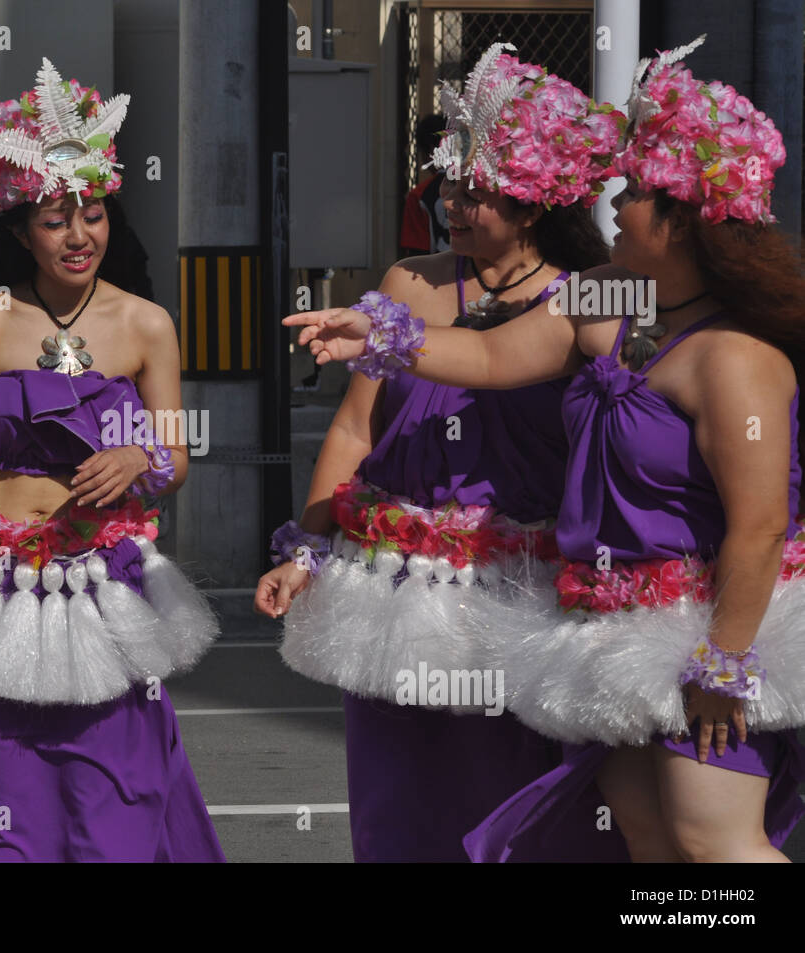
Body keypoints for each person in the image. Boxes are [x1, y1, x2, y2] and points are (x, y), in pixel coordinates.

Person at [287, 37, 805, 862]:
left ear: (682, 222)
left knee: (715, 839)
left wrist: (724, 663)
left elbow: (760, 526)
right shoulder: (617, 302)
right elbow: (490, 356)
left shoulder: (735, 359)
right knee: (645, 831)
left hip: (712, 627)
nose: (616, 204)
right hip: (620, 628)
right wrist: (379, 329)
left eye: (635, 191)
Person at [257, 44, 627, 861]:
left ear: (533, 206)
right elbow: (355, 429)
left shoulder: (591, 294)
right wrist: (308, 546)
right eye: (450, 187)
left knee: (517, 803)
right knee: (399, 806)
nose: (456, 206)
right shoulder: (408, 282)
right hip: (393, 593)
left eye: (480, 194)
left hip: (520, 595)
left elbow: (638, 372)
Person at [0, 57, 223, 862]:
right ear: (21, 226)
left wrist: (139, 458)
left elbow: (176, 454)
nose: (78, 235)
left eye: (91, 213)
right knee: (7, 810)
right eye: (55, 218)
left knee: (115, 803)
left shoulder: (145, 325)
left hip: (104, 583)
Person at [399, 114, 450, 256]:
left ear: (430, 150)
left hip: (435, 273)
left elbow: (417, 251)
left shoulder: (420, 195)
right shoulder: (476, 186)